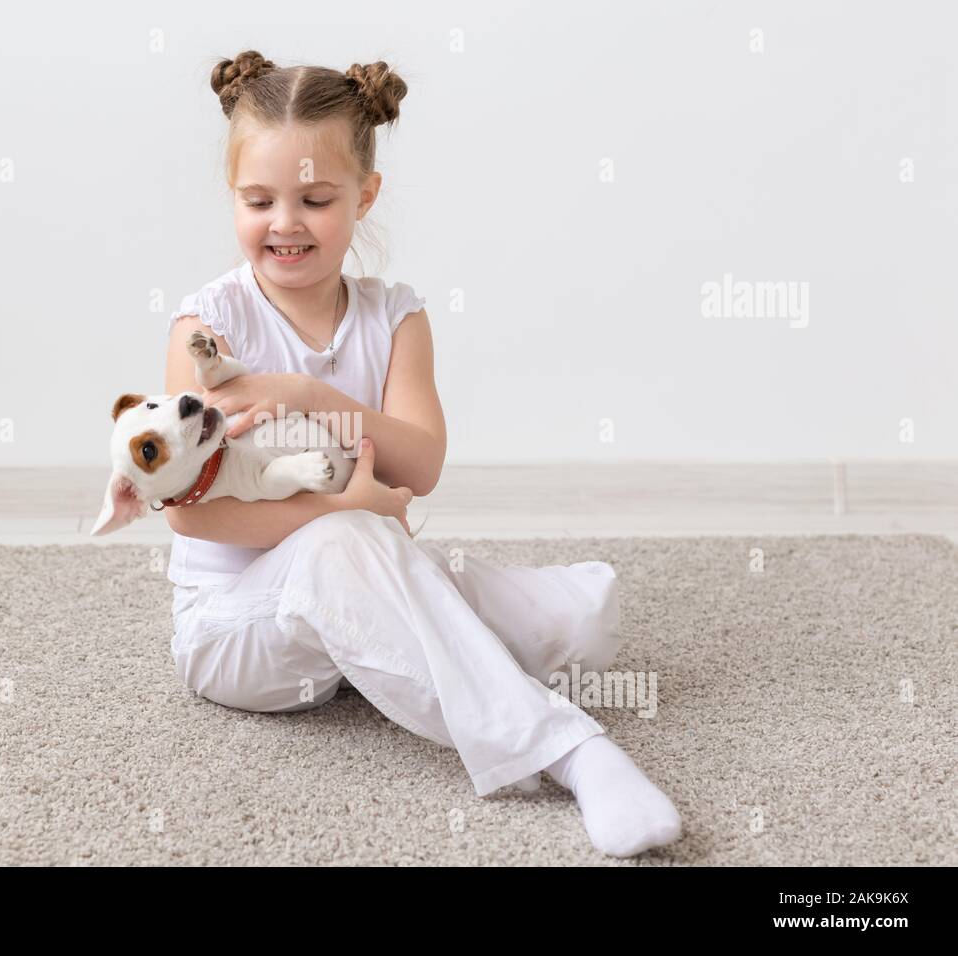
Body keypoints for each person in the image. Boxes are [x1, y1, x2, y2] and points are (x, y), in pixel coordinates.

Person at [161, 51, 681, 857]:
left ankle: (397, 650)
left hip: (361, 573)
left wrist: (310, 397)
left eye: (316, 199)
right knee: (342, 541)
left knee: (584, 619)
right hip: (238, 632)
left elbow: (422, 464)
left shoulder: (395, 317)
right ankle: (571, 752)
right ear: (233, 197)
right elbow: (191, 516)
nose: (285, 222)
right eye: (258, 200)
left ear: (365, 197)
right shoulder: (209, 324)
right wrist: (344, 508)